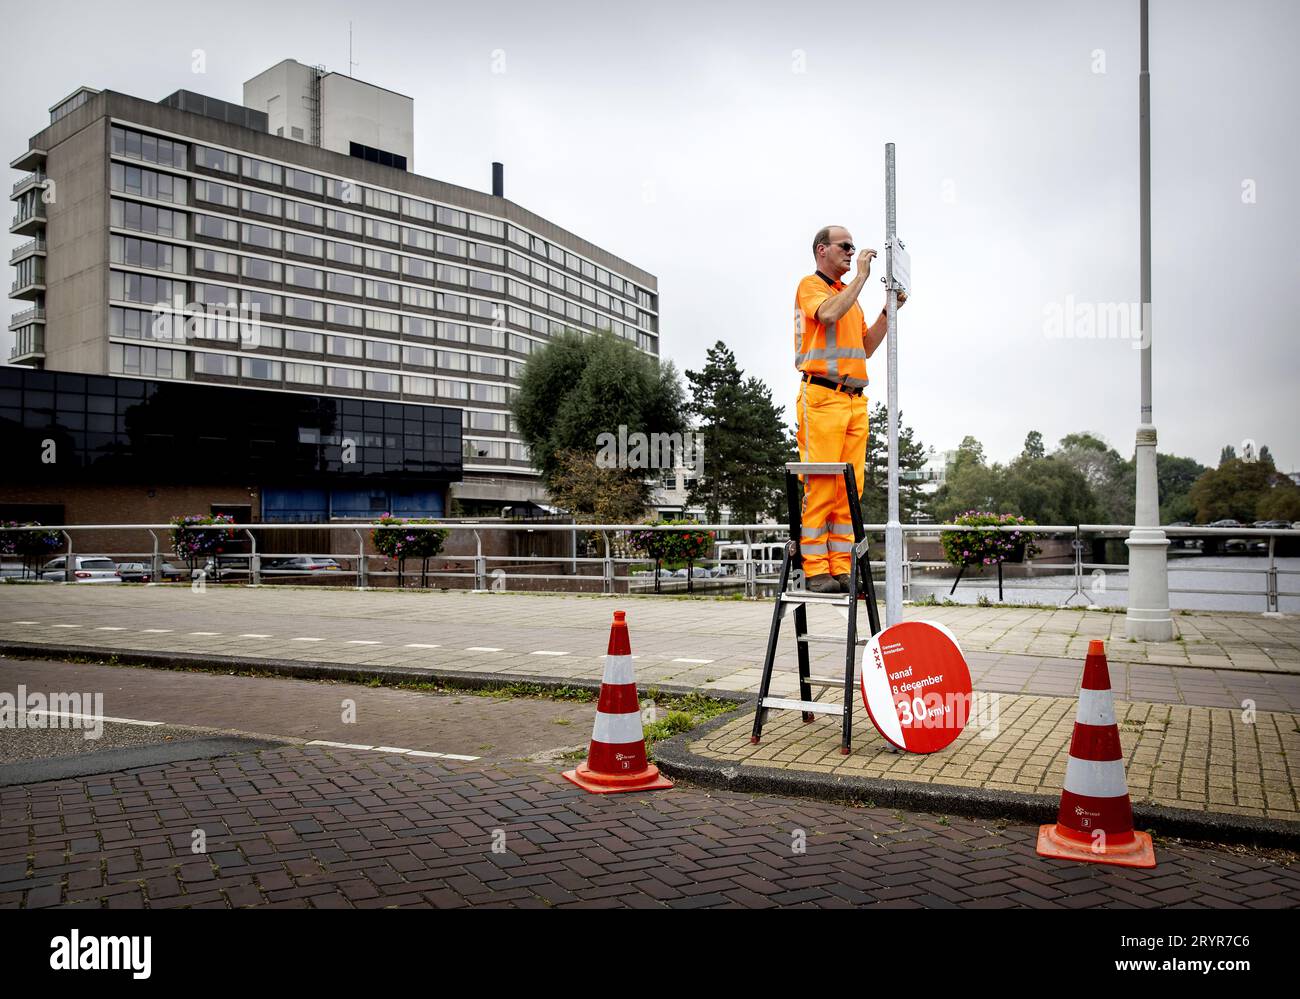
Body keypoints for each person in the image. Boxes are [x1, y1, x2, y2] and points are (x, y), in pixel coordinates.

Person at [794, 224, 905, 593]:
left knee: (849, 489)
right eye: (845, 246)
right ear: (822, 250)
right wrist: (861, 276)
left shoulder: (849, 298)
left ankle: (841, 566)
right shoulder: (812, 287)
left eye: (852, 247)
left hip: (854, 401)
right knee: (823, 484)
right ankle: (814, 569)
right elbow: (826, 315)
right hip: (822, 398)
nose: (851, 250)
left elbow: (867, 347)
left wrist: (889, 312)